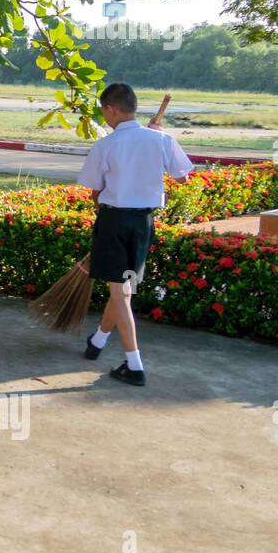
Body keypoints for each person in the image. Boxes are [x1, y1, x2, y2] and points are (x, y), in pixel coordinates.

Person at [77, 82, 194, 387]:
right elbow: (182, 179)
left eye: (104, 111)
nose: (104, 117)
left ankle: (135, 365)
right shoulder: (161, 139)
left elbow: (95, 194)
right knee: (123, 288)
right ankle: (98, 341)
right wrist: (159, 140)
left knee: (120, 293)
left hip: (114, 222)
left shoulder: (106, 145)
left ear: (111, 109)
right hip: (143, 224)